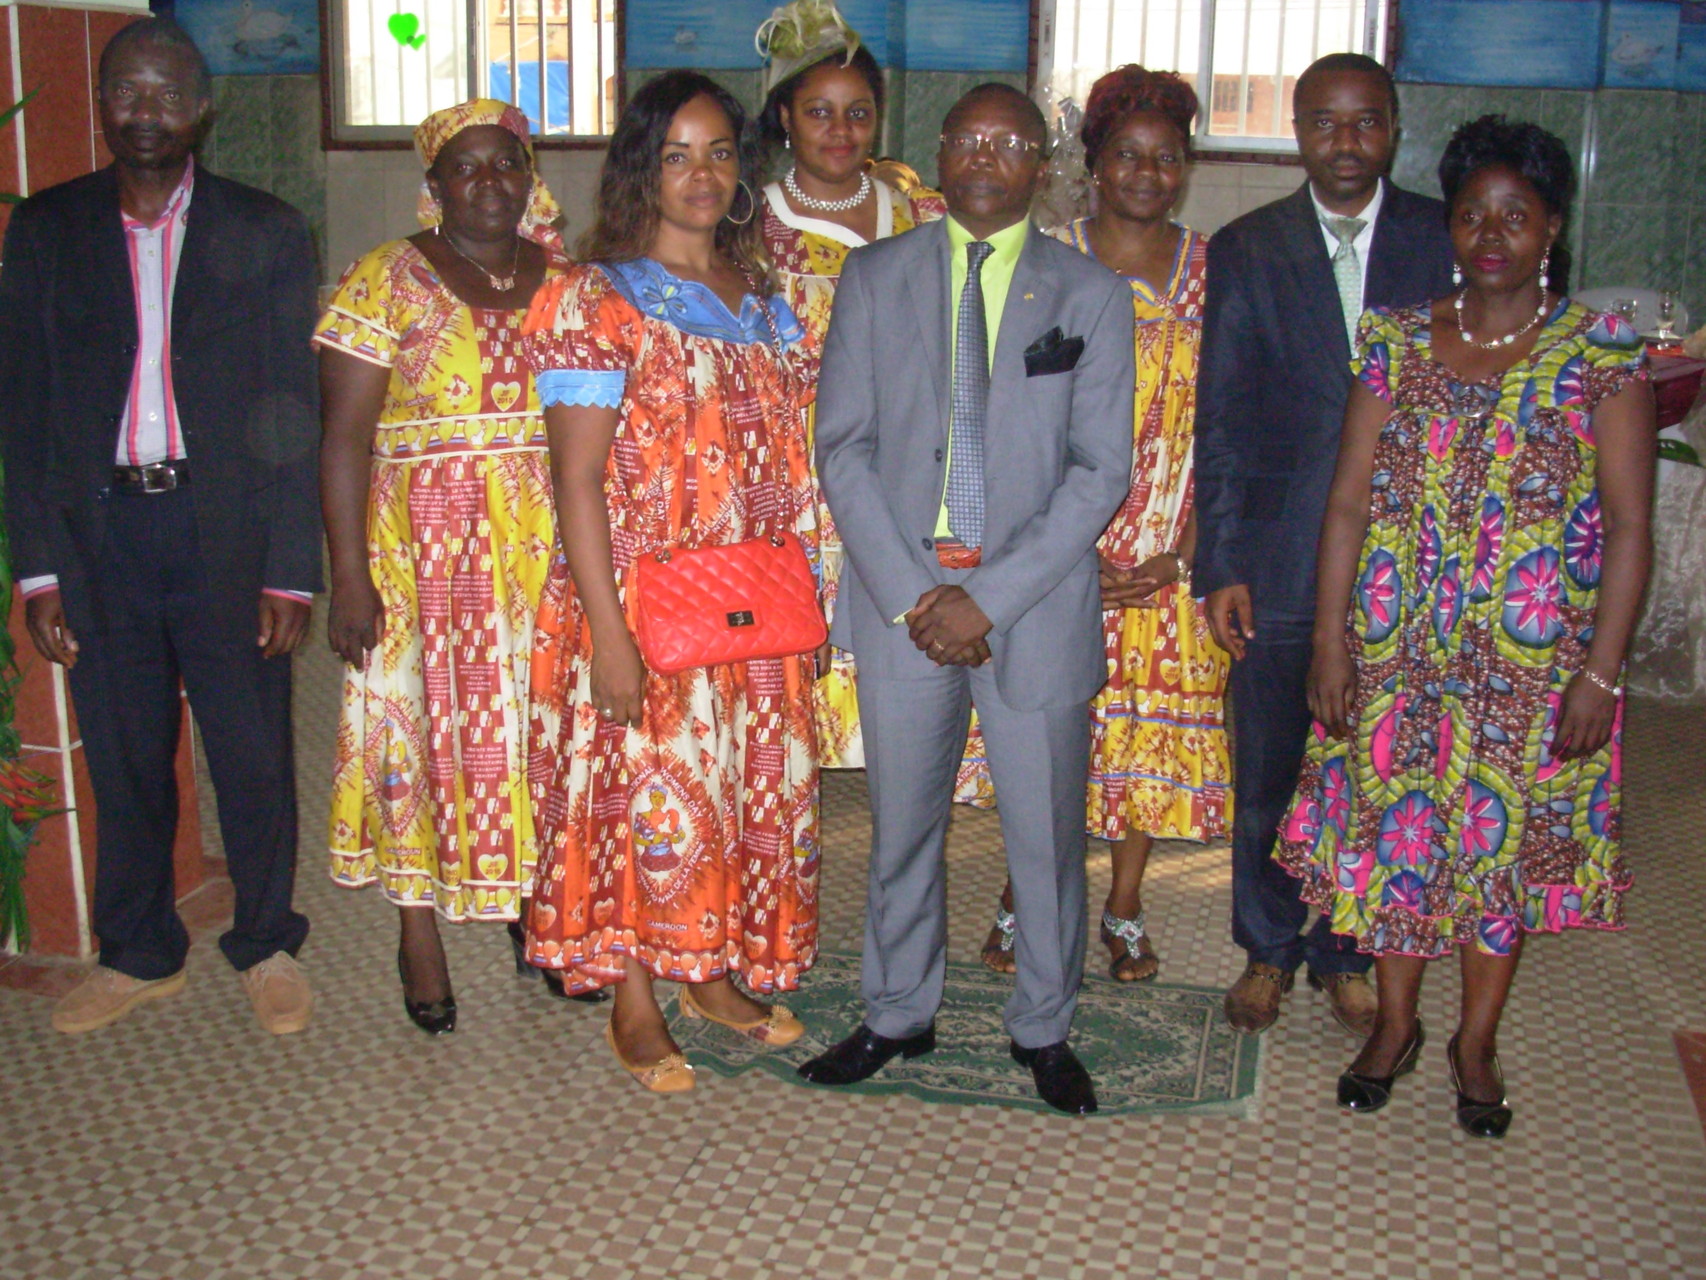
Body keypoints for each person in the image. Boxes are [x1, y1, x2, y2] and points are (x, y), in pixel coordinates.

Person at [1277, 116, 1652, 1138]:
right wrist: (1327, 641)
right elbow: (1346, 503)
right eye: (1472, 215)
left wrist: (1600, 673)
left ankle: (1473, 1038)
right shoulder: (1395, 337)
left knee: (1493, 854)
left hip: (1528, 667)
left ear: (1550, 229)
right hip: (1396, 656)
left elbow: (1626, 523)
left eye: (1514, 217)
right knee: (1401, 840)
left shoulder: (1598, 353)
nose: (1490, 234)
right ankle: (1394, 1022)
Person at [802, 84, 1136, 1114]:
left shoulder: (1088, 294)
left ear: (1043, 164)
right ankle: (897, 1008)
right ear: (937, 153)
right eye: (967, 137)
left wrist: (982, 598)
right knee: (900, 824)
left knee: (1041, 836)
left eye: (1010, 143)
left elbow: (1099, 472)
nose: (986, 155)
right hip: (904, 595)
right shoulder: (873, 278)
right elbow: (841, 447)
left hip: (1028, 603)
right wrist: (914, 595)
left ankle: (1042, 1024)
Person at [0, 18, 319, 1034]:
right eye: (124, 92)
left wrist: (288, 568)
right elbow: (25, 406)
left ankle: (266, 939)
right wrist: (41, 570)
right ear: (102, 106)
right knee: (127, 752)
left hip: (223, 532)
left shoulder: (263, 230)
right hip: (101, 539)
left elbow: (291, 408)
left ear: (201, 109)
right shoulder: (47, 231)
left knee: (253, 752)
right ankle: (139, 949)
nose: (144, 111)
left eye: (164, 92)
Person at [517, 71, 820, 1093]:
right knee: (648, 799)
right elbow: (574, 476)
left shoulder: (767, 302)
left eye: (719, 152)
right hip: (646, 605)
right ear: (640, 165)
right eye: (676, 153)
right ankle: (637, 998)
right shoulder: (594, 298)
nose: (700, 175)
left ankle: (715, 973)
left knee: (741, 791)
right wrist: (609, 634)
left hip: (759, 601)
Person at [316, 99, 600, 1035]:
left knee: (532, 732)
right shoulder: (385, 279)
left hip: (544, 551)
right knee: (420, 738)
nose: (489, 183)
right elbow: (344, 439)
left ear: (531, 179)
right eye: (466, 168)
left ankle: (533, 910)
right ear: (433, 185)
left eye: (506, 166)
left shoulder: (563, 277)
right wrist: (350, 577)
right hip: (421, 558)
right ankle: (418, 929)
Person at [1194, 52, 1454, 1037]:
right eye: (1323, 123)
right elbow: (1218, 420)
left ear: (1393, 128)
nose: (1345, 142)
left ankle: (1345, 945)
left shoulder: (1442, 236)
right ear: (1295, 130)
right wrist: (1218, 564)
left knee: (1371, 764)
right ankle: (1265, 943)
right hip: (1275, 549)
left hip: (1403, 561)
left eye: (1365, 122)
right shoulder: (1249, 246)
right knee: (1264, 763)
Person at [964, 66, 1232, 985]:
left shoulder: (1215, 275)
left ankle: (1123, 905)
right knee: (1041, 732)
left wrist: (1175, 558)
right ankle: (1023, 891)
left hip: (1169, 548)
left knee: (1144, 737)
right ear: (1094, 163)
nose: (1147, 174)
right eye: (1127, 155)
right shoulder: (1044, 261)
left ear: (1186, 167)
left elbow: (1232, 429)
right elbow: (1001, 414)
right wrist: (1046, 555)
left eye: (1166, 158)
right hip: (1048, 547)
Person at [753, 0, 947, 768]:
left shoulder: (923, 214)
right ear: (785, 119)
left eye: (858, 113)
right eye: (819, 113)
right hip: (796, 465)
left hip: (906, 462)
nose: (841, 131)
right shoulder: (749, 225)